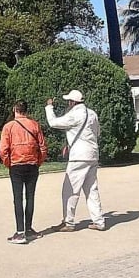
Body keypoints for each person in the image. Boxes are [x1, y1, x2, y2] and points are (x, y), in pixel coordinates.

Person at [46, 89, 105, 231]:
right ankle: (99, 221)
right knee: (91, 189)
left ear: (72, 102)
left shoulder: (74, 114)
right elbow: (97, 132)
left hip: (78, 156)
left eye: (68, 101)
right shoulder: (92, 113)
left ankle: (68, 222)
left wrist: (49, 107)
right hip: (92, 154)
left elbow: (53, 123)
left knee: (70, 189)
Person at [0, 100, 47, 245]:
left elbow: (3, 150)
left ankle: (20, 232)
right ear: (26, 110)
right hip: (32, 165)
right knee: (30, 197)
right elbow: (43, 147)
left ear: (15, 109)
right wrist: (38, 162)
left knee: (18, 199)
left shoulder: (9, 127)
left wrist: (9, 163)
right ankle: (28, 229)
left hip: (17, 165)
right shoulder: (35, 125)